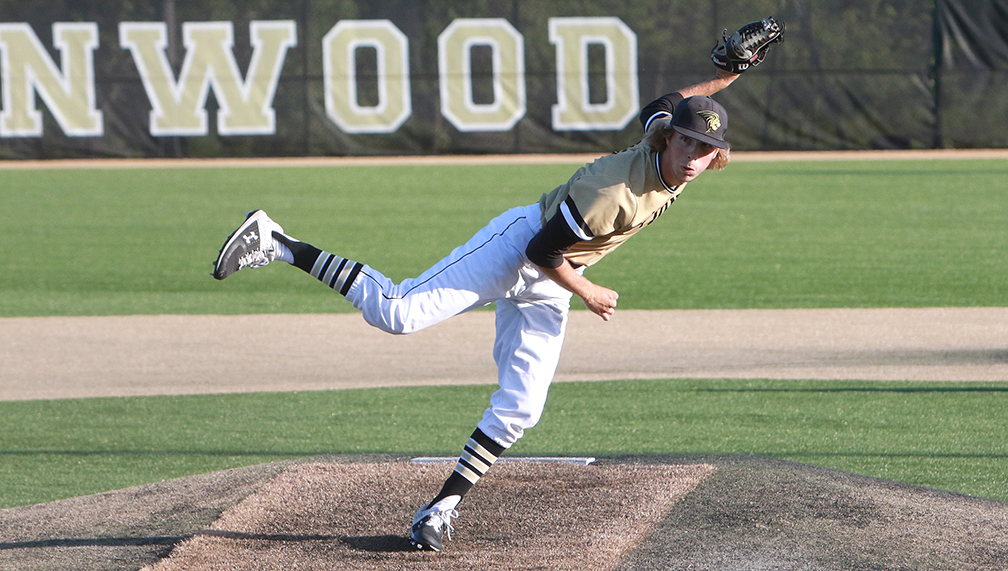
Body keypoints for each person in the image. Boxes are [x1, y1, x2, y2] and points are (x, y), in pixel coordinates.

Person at [212, 18, 783, 552]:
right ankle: (278, 242)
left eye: (707, 150)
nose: (694, 157)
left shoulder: (667, 136)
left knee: (521, 407)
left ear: (716, 157)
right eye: (688, 143)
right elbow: (541, 251)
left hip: (556, 272)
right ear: (670, 143)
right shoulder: (615, 192)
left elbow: (672, 105)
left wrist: (728, 71)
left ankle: (439, 509)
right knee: (397, 312)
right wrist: (589, 294)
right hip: (523, 246)